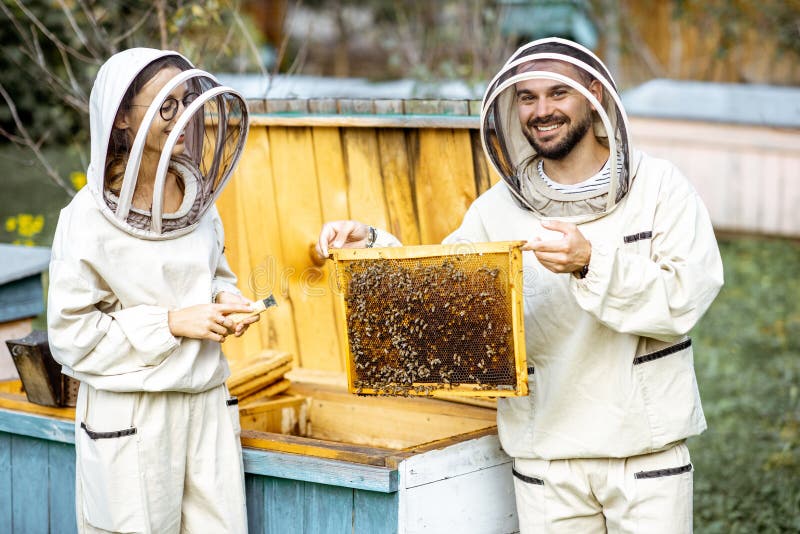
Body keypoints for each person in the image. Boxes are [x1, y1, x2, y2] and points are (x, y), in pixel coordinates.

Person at [316, 37, 723, 533]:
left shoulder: (660, 187)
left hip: (644, 457)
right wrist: (372, 248)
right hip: (546, 463)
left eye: (558, 93)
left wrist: (592, 262)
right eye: (527, 97)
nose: (542, 110)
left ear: (593, 93)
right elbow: (444, 292)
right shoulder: (496, 209)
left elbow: (685, 298)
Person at [48, 48, 254, 533]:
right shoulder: (87, 219)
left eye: (187, 101)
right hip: (133, 414)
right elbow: (71, 336)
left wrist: (227, 300)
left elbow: (215, 274)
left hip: (207, 407)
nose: (184, 116)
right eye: (166, 105)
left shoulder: (199, 201)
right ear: (121, 117)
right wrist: (170, 322)